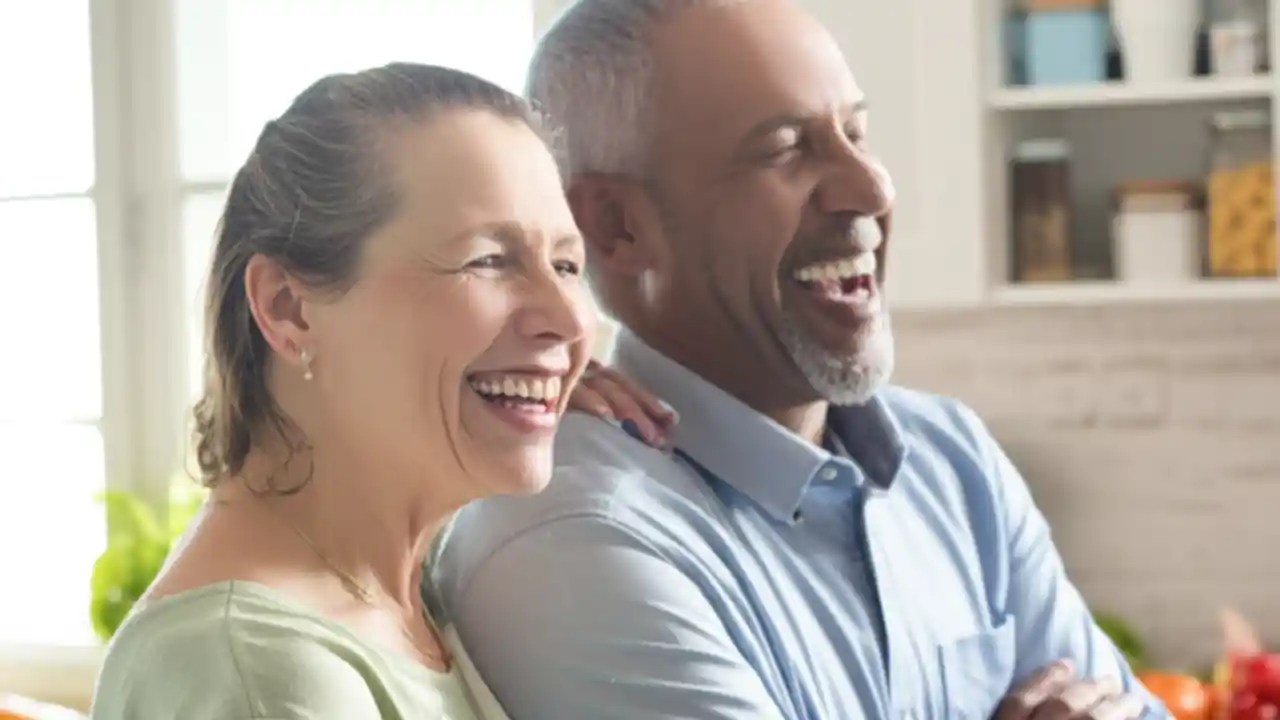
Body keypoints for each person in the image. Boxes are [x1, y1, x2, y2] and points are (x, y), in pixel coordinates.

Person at [430, 2, 1173, 719]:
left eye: (857, 132)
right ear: (616, 227)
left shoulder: (955, 463)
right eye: (786, 149)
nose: (872, 187)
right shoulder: (572, 541)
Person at [90, 63, 669, 720]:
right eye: (488, 259)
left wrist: (513, 389)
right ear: (289, 308)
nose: (570, 321)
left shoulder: (409, 599)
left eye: (566, 266)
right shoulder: (257, 671)